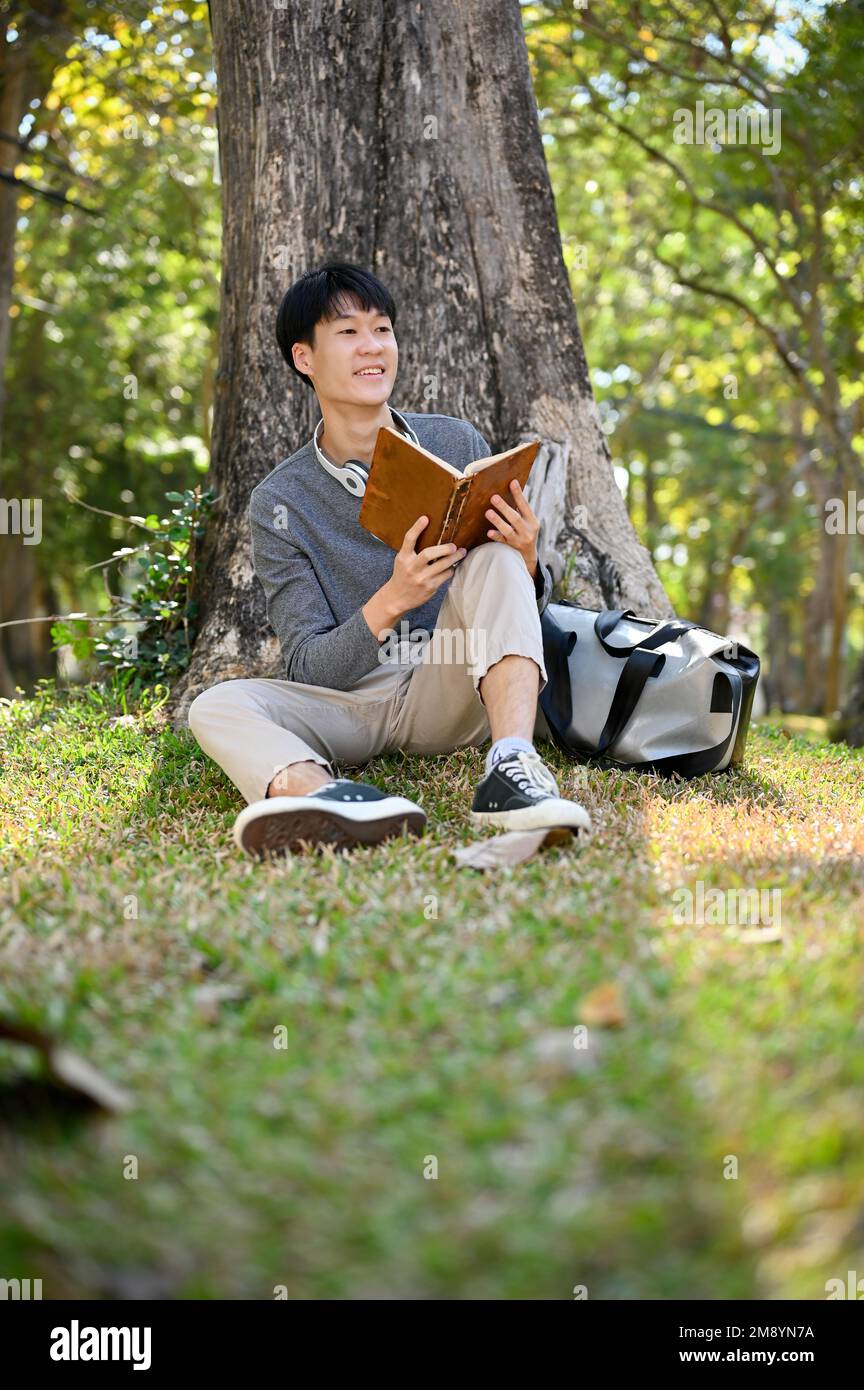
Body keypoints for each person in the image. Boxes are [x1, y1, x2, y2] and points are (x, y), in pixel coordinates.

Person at [188, 261, 591, 857]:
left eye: (382, 329)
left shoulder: (455, 443)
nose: (372, 347)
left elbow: (506, 604)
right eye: (348, 333)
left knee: (499, 560)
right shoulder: (280, 502)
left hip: (451, 685)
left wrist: (529, 561)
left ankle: (512, 769)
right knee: (217, 704)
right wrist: (393, 599)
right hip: (352, 703)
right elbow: (307, 669)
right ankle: (329, 799)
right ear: (305, 359)